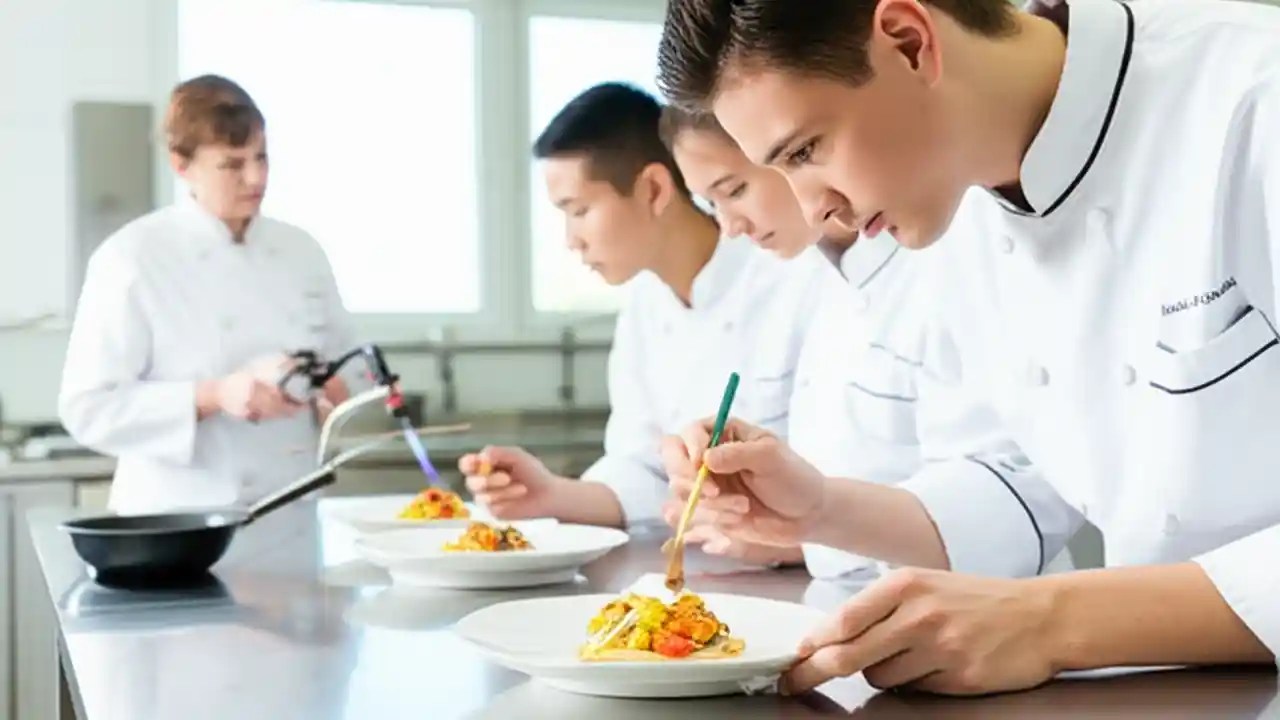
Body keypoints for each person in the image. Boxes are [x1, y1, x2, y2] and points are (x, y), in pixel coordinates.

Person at [656, 0, 1280, 696]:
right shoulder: (957, 198)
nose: (813, 211)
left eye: (805, 152)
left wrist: (1053, 623)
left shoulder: (1254, 96)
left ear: (909, 42)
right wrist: (819, 508)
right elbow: (1014, 482)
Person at [656, 106, 1071, 581]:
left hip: (986, 608)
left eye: (735, 191)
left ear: (797, 151)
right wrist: (774, 521)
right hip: (858, 592)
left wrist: (811, 521)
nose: (729, 227)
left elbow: (1001, 509)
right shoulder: (819, 279)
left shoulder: (945, 258)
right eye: (712, 205)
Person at [458, 83, 814, 548]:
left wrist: (788, 543)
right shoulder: (644, 308)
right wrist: (549, 494)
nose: (572, 240)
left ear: (653, 189)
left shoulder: (789, 272)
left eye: (579, 210)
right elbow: (642, 472)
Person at [60, 75, 357, 514]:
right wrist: (214, 396)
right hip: (177, 522)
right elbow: (89, 409)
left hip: (293, 510)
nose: (255, 178)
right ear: (181, 164)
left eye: (262, 158)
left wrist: (332, 391)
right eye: (232, 164)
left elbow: (349, 367)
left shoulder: (301, 251)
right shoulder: (133, 257)